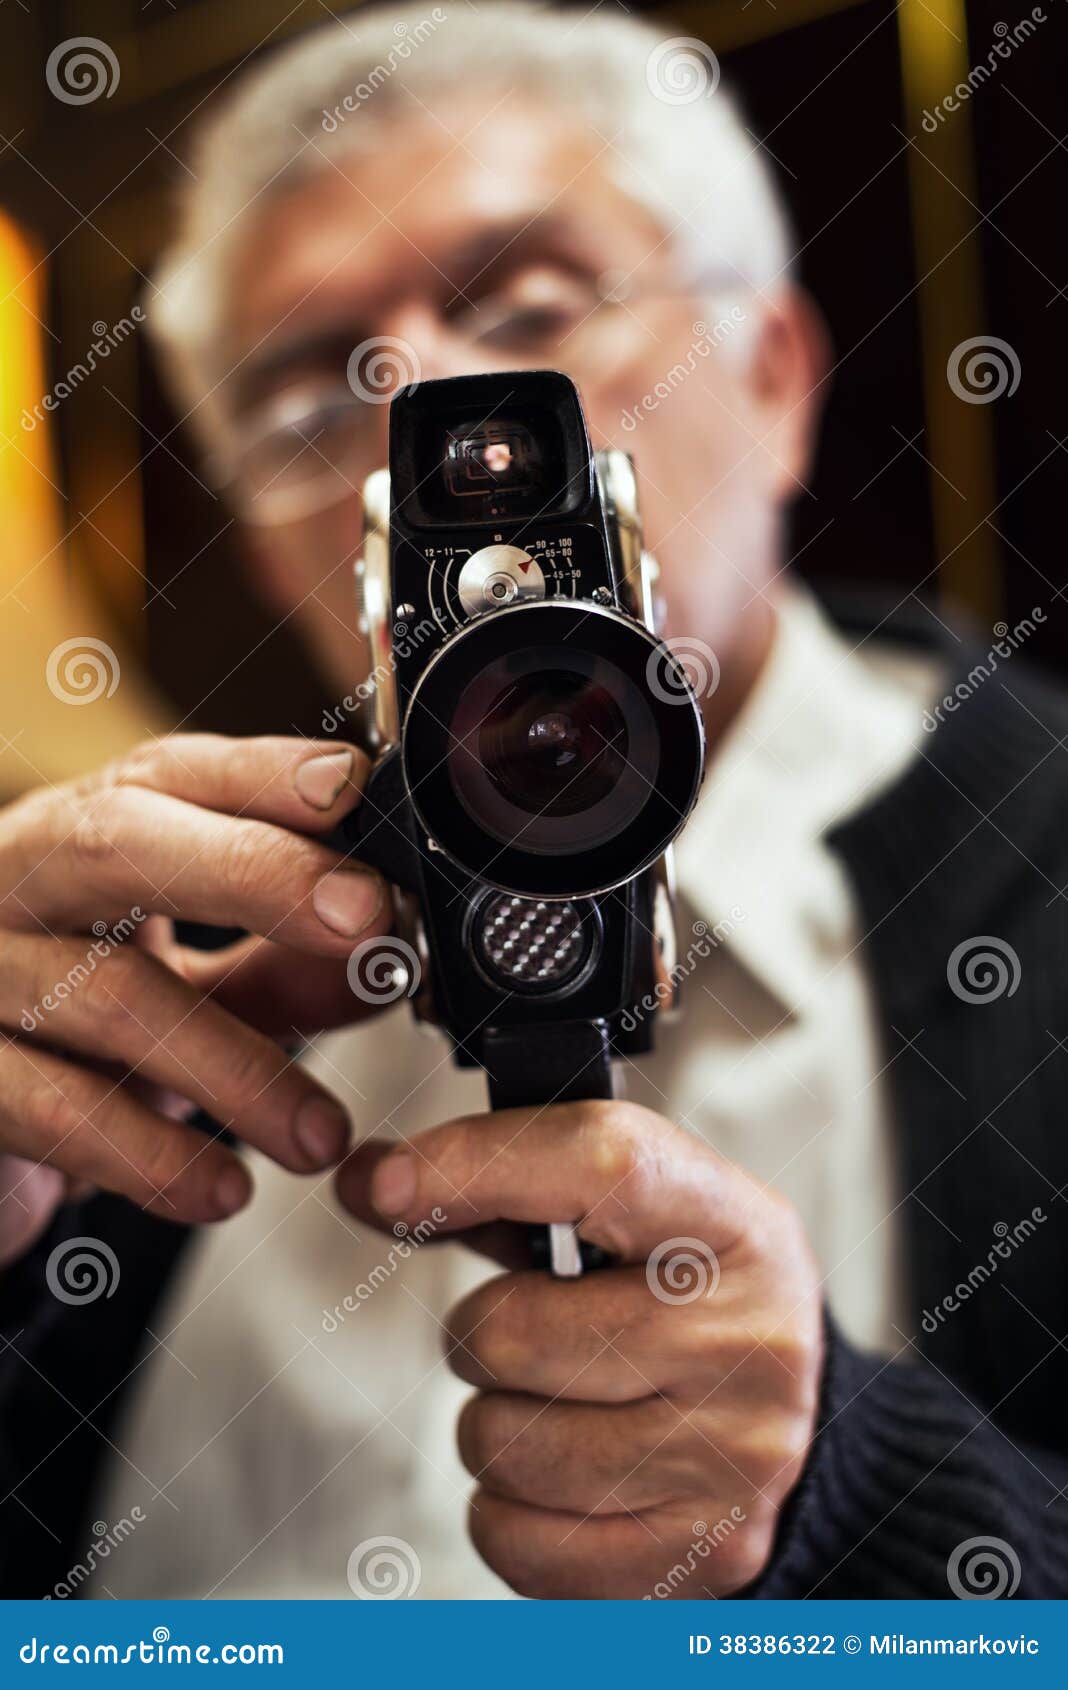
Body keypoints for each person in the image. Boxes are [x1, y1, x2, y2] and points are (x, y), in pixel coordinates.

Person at [1, 1, 1066, 1601]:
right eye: (306, 393)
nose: (419, 405)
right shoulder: (164, 956)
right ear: (274, 544)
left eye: (531, 296)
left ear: (772, 373)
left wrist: (859, 1494)